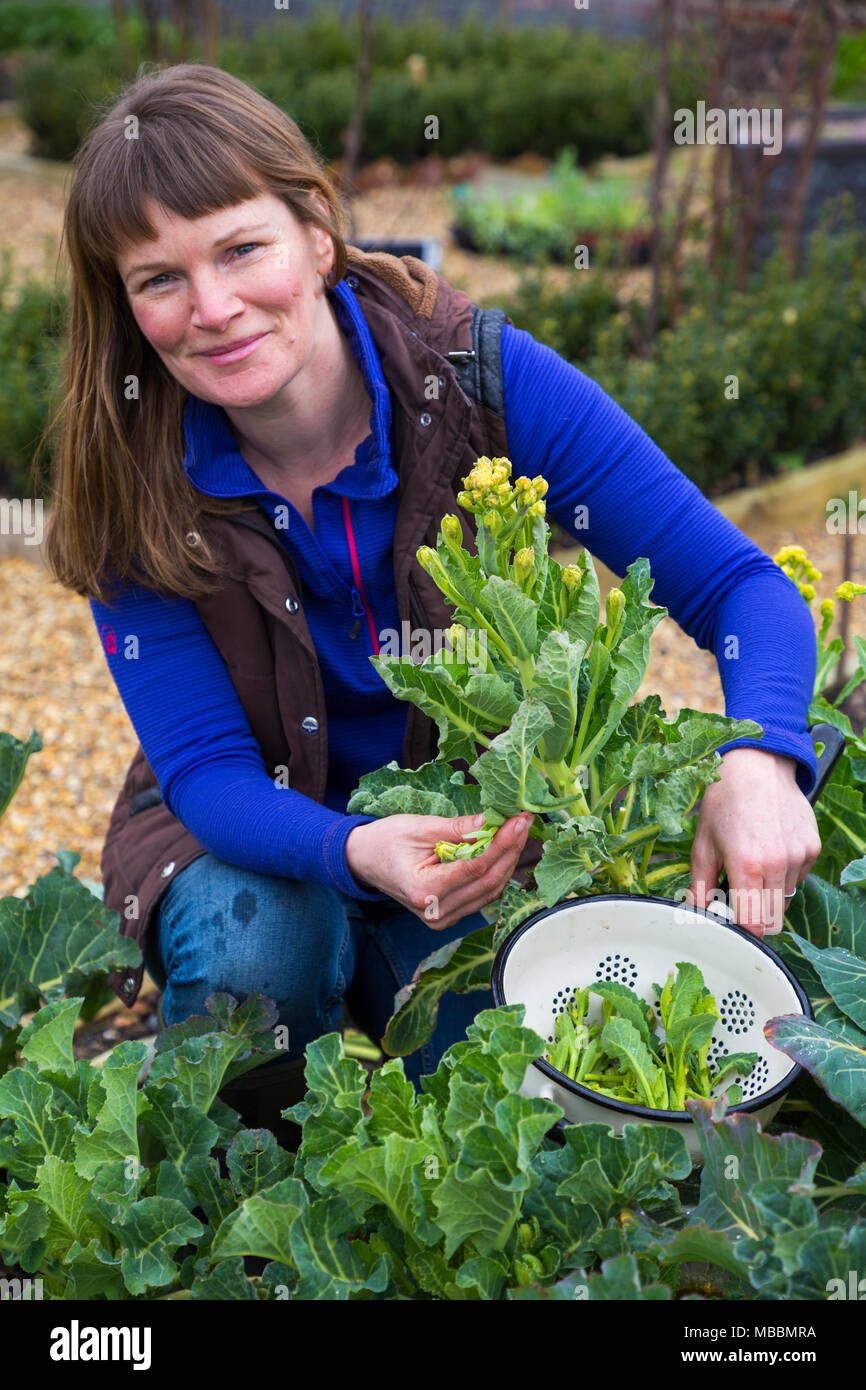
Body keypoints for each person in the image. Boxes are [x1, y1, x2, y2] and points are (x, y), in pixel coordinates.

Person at [42, 64, 821, 1129]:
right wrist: (350, 849)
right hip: (258, 845)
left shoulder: (481, 386)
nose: (213, 308)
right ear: (125, 307)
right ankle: (247, 1202)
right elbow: (206, 772)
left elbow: (738, 584)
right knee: (257, 947)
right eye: (158, 278)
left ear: (315, 234)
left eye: (240, 248)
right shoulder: (128, 477)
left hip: (474, 843)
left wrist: (759, 752)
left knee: (506, 1094)